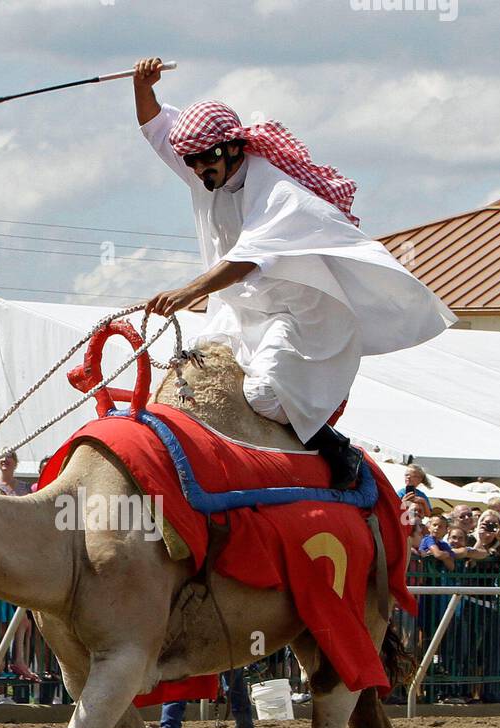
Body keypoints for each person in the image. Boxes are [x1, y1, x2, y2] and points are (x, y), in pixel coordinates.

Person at [131, 57, 454, 485]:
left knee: (263, 395)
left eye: (203, 161)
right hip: (237, 313)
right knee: (192, 380)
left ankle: (335, 448)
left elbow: (247, 259)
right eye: (190, 163)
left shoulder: (280, 192)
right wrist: (142, 85)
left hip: (299, 318)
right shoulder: (205, 171)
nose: (196, 171)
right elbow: (157, 130)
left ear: (231, 147)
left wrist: (188, 291)